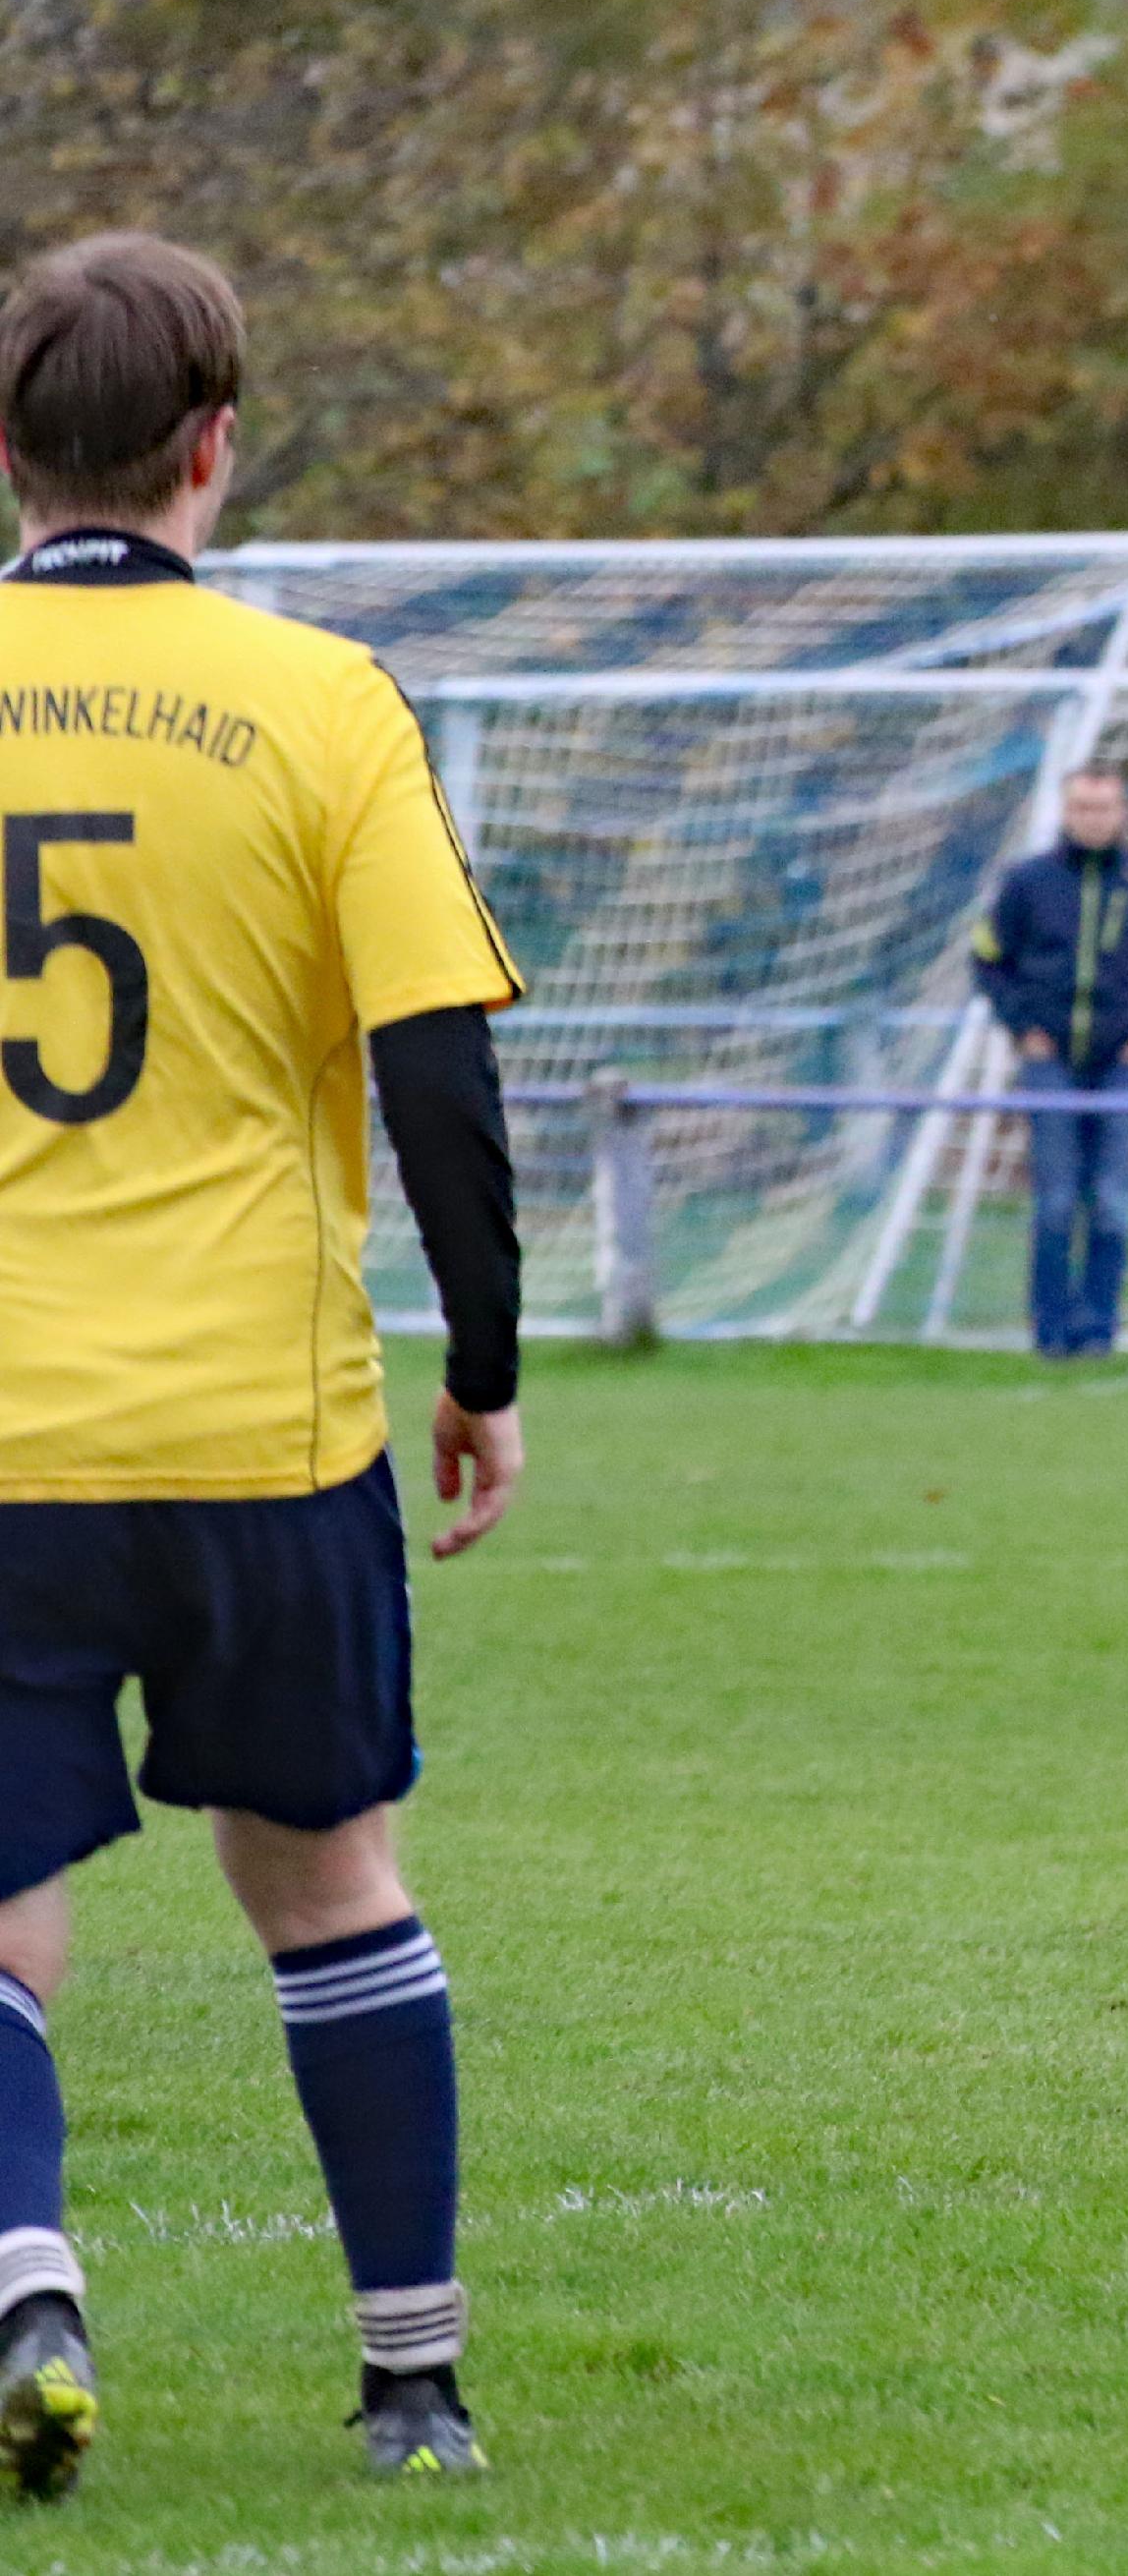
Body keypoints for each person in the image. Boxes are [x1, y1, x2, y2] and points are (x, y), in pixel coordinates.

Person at [0, 234, 527, 2487]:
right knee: (330, 1880)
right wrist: (484, 1364)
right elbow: (436, 1073)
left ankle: (28, 2271)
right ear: (218, 444)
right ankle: (411, 2382)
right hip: (262, 1419)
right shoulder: (318, 700)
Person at [972, 765, 1128, 1358]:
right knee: (1055, 1199)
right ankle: (1051, 1335)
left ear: (1123, 813)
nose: (1093, 819)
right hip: (1049, 1062)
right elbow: (988, 959)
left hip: (1122, 1065)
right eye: (1082, 808)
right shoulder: (1027, 883)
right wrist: (1023, 1027)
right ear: (1065, 812)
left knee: (1110, 1200)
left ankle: (1098, 1331)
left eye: (1104, 808)